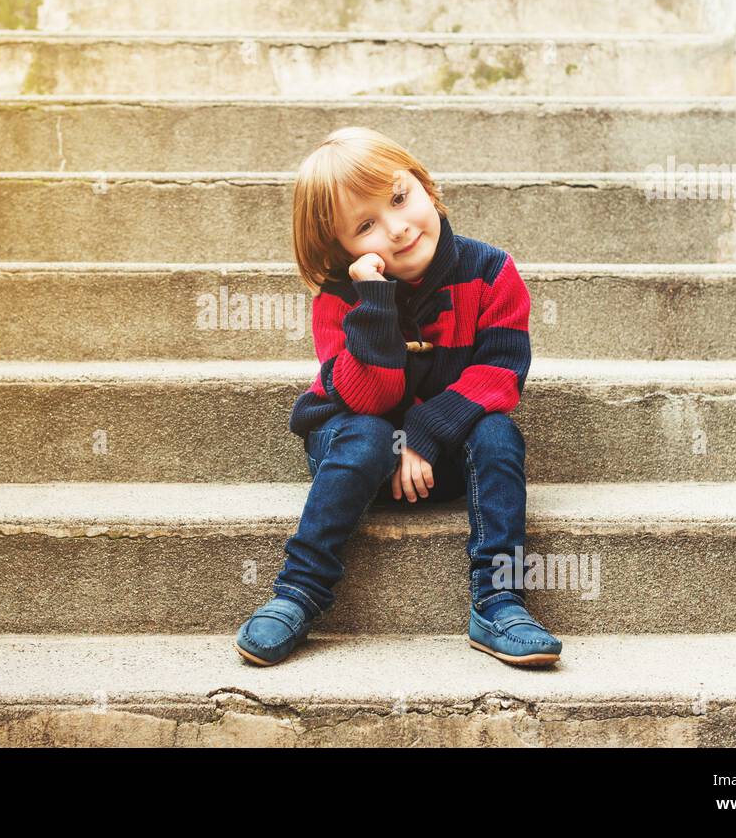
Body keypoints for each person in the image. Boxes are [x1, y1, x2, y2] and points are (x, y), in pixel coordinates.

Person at [234, 126, 562, 668]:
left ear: (425, 186)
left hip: (443, 458)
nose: (397, 228)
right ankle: (299, 591)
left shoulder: (491, 272)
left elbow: (502, 370)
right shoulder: (340, 300)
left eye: (399, 198)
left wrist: (427, 433)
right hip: (358, 447)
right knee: (367, 434)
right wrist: (377, 302)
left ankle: (499, 601)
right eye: (365, 226)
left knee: (498, 433)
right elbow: (369, 396)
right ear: (339, 249)